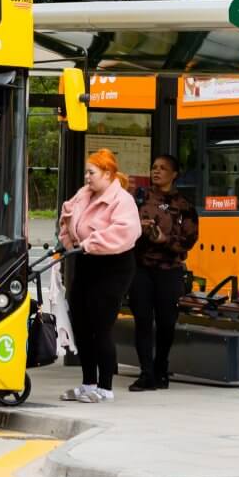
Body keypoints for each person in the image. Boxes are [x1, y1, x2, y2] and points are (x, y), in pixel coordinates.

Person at [57, 149, 141, 403]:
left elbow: (127, 232)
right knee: (81, 323)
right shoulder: (85, 195)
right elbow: (67, 219)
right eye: (86, 171)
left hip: (113, 266)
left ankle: (105, 387)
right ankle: (87, 383)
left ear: (107, 173)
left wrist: (92, 241)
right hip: (85, 261)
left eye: (91, 172)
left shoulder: (122, 200)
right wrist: (68, 240)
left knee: (100, 325)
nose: (86, 177)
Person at [128, 153, 199, 391]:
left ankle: (161, 368)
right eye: (154, 167)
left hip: (169, 270)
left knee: (167, 322)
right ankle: (146, 372)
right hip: (141, 269)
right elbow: (123, 229)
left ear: (174, 174)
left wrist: (164, 239)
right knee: (143, 321)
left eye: (163, 168)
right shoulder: (138, 199)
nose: (156, 171)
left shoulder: (184, 206)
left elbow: (189, 240)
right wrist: (140, 229)